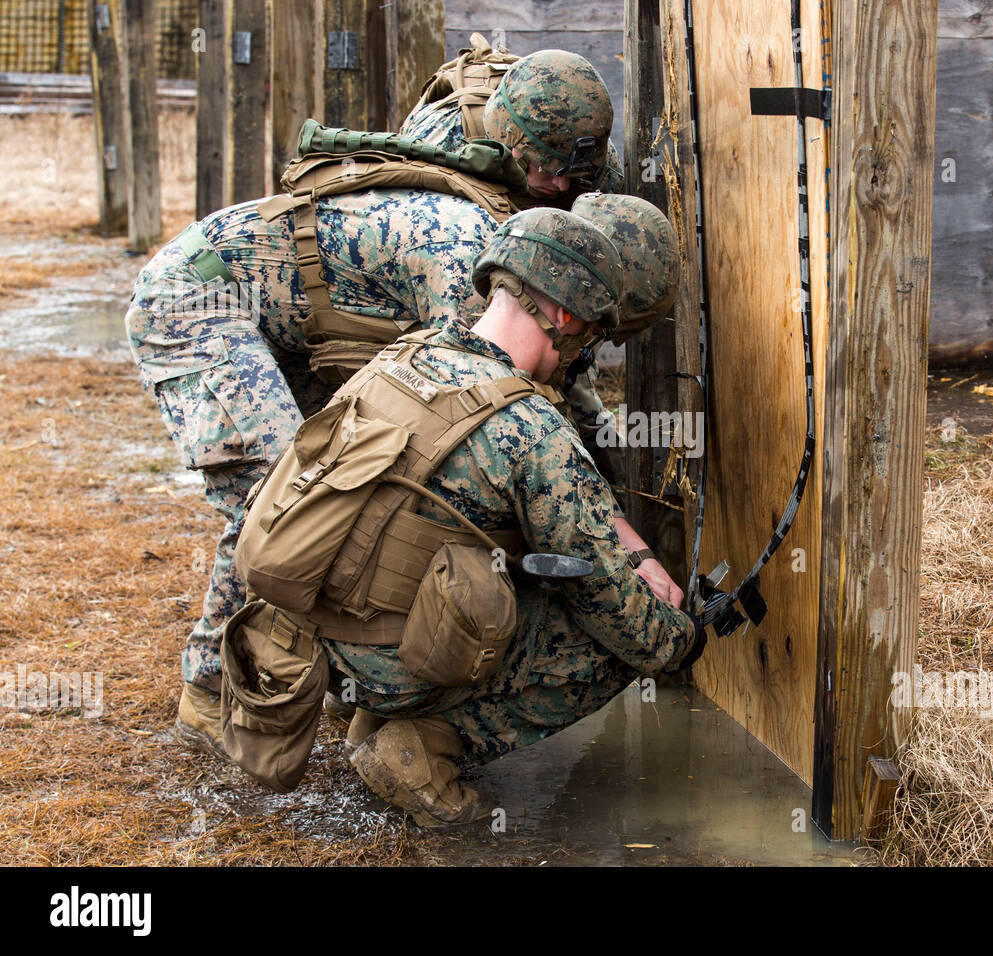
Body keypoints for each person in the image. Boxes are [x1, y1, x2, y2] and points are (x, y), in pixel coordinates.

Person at [125, 63, 623, 756]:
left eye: (578, 177)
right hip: (202, 302)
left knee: (328, 480)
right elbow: (495, 405)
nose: (568, 190)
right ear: (519, 150)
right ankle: (216, 694)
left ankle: (324, 673)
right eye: (553, 176)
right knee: (289, 495)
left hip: (302, 317)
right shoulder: (463, 251)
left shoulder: (510, 146)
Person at [230, 208, 704, 824]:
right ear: (564, 316)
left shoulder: (402, 358)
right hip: (390, 662)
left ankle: (372, 717)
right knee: (617, 640)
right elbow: (606, 597)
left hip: (312, 645)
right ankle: (423, 745)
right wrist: (680, 640)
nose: (581, 348)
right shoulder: (532, 429)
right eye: (588, 331)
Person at [401, 42, 625, 204]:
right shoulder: (442, 142)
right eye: (547, 169)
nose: (563, 185)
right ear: (510, 144)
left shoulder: (590, 156)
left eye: (570, 174)